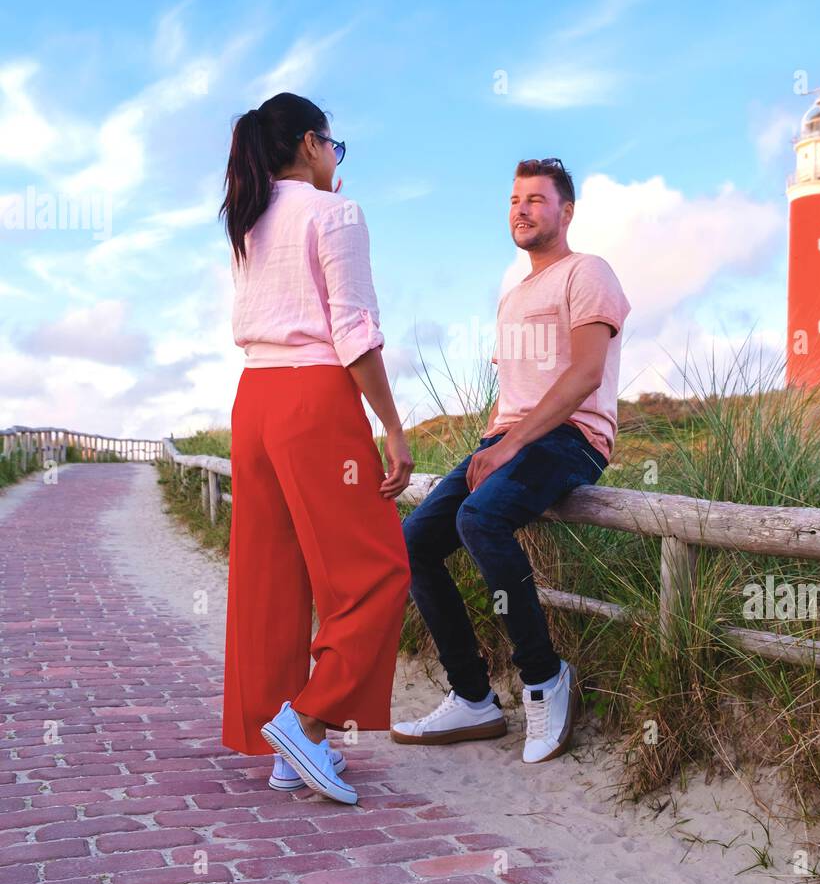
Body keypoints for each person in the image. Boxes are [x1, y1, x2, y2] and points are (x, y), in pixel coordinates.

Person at [393, 157, 630, 763]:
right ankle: (472, 697)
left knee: (479, 520)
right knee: (414, 541)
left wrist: (514, 444)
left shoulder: (588, 272)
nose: (521, 209)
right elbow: (517, 392)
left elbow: (584, 374)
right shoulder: (513, 294)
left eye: (536, 199)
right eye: (514, 199)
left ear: (566, 211)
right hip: (509, 439)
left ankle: (544, 677)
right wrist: (495, 442)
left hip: (570, 438)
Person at [219, 91, 413, 804]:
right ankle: (306, 722)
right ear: (309, 144)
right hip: (313, 402)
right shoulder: (336, 213)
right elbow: (354, 331)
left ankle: (283, 749)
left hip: (254, 405)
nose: (337, 160)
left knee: (273, 580)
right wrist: (393, 427)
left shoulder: (248, 219)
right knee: (377, 572)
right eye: (334, 146)